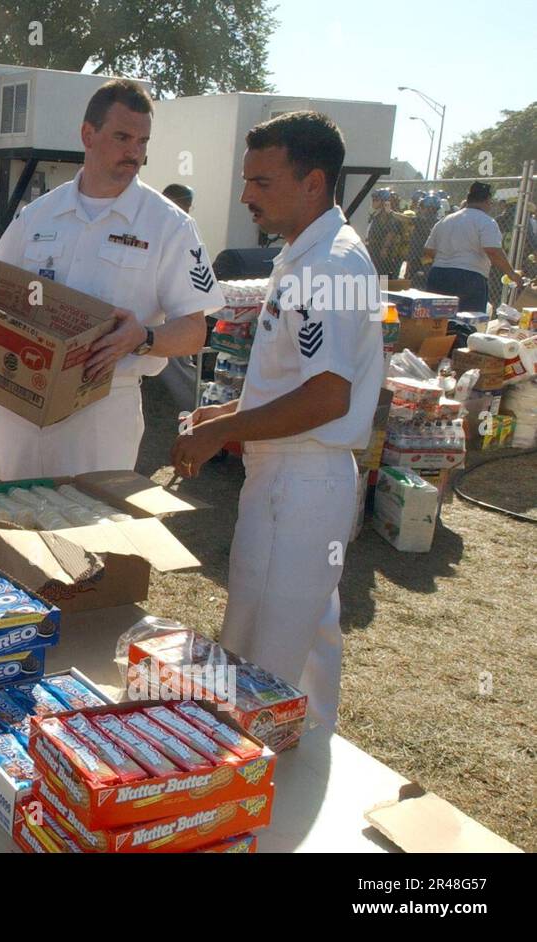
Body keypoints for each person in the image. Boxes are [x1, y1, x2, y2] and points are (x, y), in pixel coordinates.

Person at [171, 111, 384, 732]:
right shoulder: (305, 255)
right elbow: (296, 385)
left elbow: (326, 398)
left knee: (265, 658)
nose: (246, 196)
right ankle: (300, 757)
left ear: (313, 182)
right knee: (298, 645)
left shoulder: (332, 266)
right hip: (293, 475)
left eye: (262, 182)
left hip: (302, 480)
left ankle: (258, 788)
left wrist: (221, 432)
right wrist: (228, 413)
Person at [0, 80, 225, 478]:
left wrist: (145, 338)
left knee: (83, 535)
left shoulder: (169, 226)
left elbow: (195, 331)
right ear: (87, 135)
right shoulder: (38, 215)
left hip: (101, 412)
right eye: (122, 136)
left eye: (143, 141)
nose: (134, 151)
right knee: (7, 526)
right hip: (22, 403)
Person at [424, 182, 526, 312]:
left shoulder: (445, 220)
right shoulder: (486, 221)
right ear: (488, 200)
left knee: (436, 320)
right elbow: (493, 252)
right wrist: (512, 274)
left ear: (468, 199)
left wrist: (448, 258)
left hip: (438, 273)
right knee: (466, 323)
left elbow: (428, 249)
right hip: (469, 276)